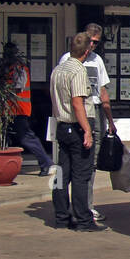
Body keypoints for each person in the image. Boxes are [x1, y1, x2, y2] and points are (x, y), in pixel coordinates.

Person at [58, 23, 116, 220]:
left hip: (93, 113)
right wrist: (86, 129)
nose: (92, 45)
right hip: (75, 117)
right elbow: (73, 99)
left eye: (96, 42)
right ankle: (74, 211)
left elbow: (102, 91)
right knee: (71, 167)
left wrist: (110, 120)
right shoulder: (68, 61)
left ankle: (84, 207)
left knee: (88, 164)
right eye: (90, 41)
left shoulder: (96, 60)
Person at [49, 32, 104, 231]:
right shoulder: (78, 71)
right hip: (77, 126)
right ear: (87, 51)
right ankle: (84, 220)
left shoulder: (58, 70)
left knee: (61, 174)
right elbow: (77, 103)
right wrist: (87, 130)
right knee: (81, 175)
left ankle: (61, 217)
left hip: (62, 125)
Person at [2, 43, 53, 176]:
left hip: (18, 110)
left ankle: (45, 162)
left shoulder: (19, 69)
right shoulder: (10, 68)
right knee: (10, 138)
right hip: (9, 110)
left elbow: (18, 87)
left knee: (26, 138)